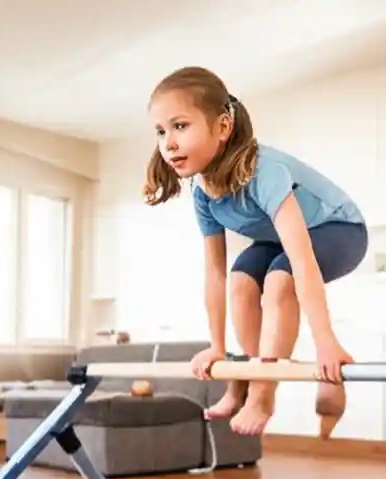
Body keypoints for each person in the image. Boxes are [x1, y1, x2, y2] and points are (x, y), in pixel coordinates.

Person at [143, 66, 368, 437]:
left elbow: (300, 259)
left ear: (223, 126)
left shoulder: (264, 171)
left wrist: (326, 342)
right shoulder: (204, 195)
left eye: (180, 126)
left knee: (280, 279)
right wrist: (217, 347)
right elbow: (215, 273)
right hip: (281, 244)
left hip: (340, 230)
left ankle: (262, 394)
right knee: (240, 280)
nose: (168, 143)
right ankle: (246, 378)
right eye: (161, 131)